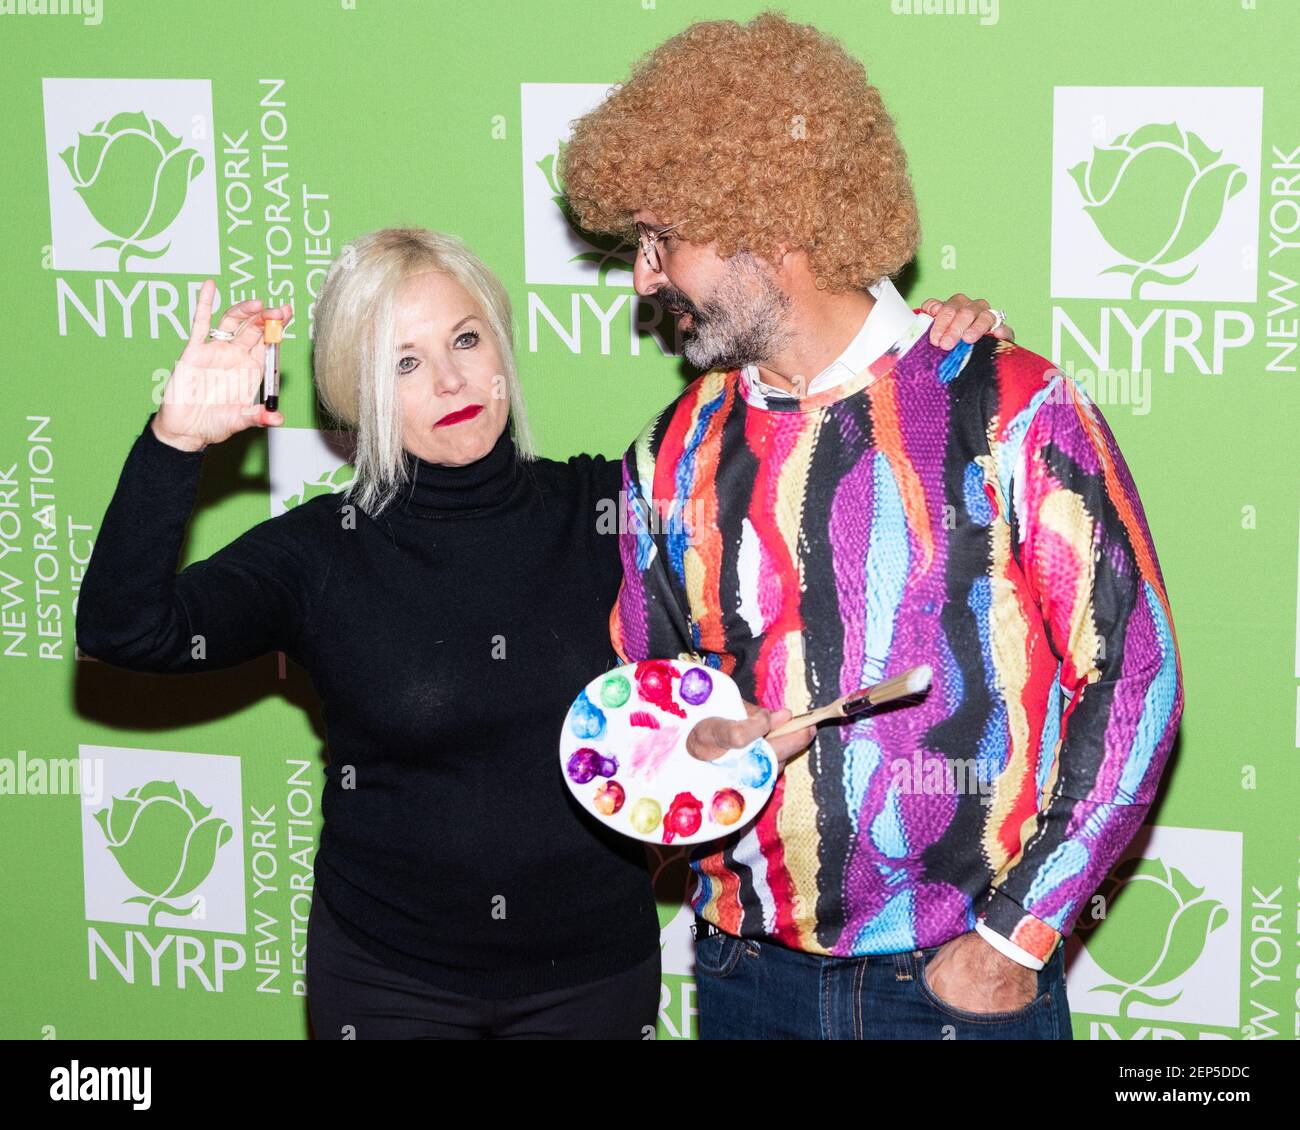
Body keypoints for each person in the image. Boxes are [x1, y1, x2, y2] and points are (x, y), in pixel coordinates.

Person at [75, 224, 1007, 1039]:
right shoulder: (322, 553)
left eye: (465, 339)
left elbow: (810, 447)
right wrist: (175, 442)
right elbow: (125, 630)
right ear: (357, 391)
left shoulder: (615, 504)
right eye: (404, 362)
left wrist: (921, 358)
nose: (450, 379)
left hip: (592, 977)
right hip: (392, 981)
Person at [559, 11, 1185, 1039]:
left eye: (661, 239)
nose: (644, 276)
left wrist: (1013, 939)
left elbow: (1135, 674)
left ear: (767, 221)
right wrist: (704, 745)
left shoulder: (1007, 404)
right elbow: (649, 702)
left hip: (952, 988)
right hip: (745, 976)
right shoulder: (669, 453)